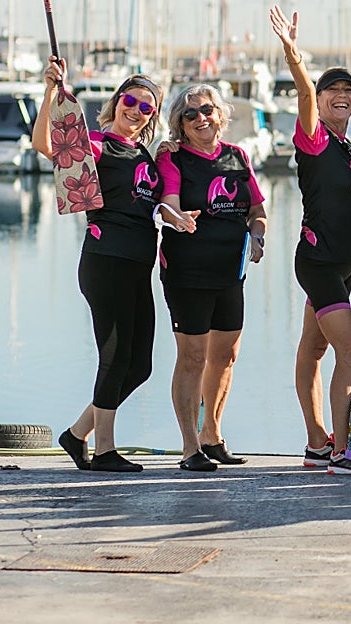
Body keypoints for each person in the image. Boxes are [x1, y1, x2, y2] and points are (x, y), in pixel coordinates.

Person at [270, 5, 351, 475]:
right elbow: (301, 88)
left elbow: (347, 199)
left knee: (313, 349)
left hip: (344, 262)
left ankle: (315, 442)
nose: (341, 95)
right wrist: (294, 52)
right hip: (318, 262)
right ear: (319, 100)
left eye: (347, 91)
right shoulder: (313, 138)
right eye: (331, 90)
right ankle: (341, 450)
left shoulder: (347, 154)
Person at [32, 61, 163, 473]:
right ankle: (105, 449)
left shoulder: (145, 153)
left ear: (152, 118)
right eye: (130, 100)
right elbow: (45, 144)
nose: (136, 110)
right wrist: (51, 93)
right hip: (106, 261)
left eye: (146, 107)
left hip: (139, 264)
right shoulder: (99, 144)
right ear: (116, 102)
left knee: (140, 364)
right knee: (115, 356)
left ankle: (76, 433)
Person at [156, 83, 268, 472]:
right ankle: (190, 447)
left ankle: (213, 436)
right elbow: (167, 204)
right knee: (192, 357)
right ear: (180, 124)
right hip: (187, 271)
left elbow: (257, 210)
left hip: (230, 272)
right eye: (191, 114)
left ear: (220, 115)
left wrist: (257, 234)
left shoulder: (238, 157)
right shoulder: (173, 159)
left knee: (226, 355)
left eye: (207, 110)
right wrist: (179, 218)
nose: (201, 118)